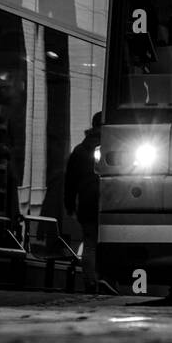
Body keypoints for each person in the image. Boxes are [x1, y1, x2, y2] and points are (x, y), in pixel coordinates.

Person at [64, 112, 113, 294]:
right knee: (107, 244)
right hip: (110, 201)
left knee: (90, 244)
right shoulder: (114, 146)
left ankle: (90, 282)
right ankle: (107, 281)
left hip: (87, 203)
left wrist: (69, 204)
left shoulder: (80, 150)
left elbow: (70, 181)